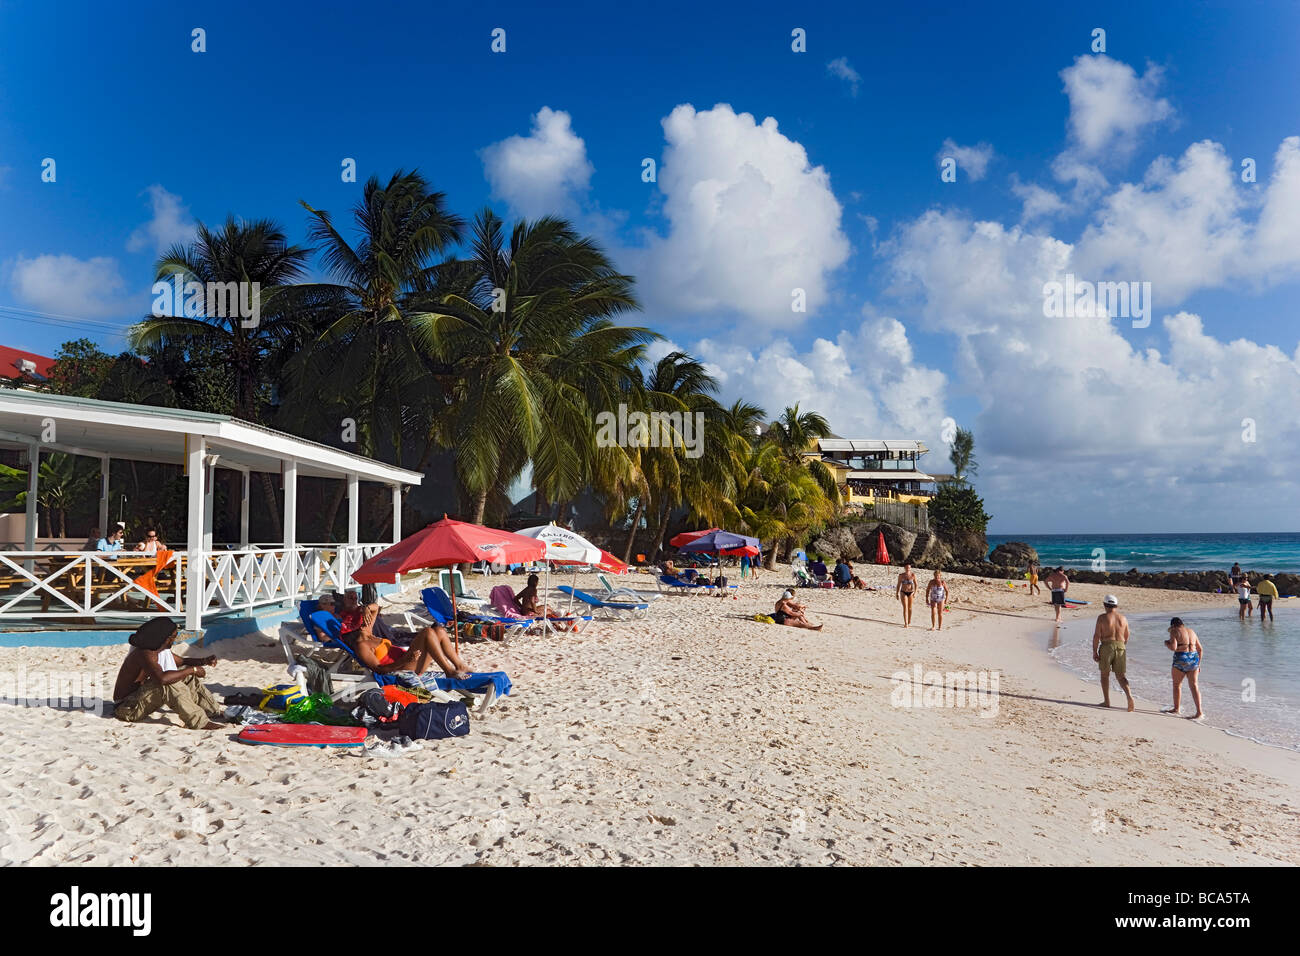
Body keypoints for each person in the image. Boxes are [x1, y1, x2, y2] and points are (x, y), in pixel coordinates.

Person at [112, 618, 225, 730]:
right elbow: (162, 679)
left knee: (187, 676)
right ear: (166, 638)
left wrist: (204, 661)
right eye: (174, 636)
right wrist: (193, 669)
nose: (175, 640)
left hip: (139, 698)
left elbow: (182, 661)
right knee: (168, 683)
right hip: (127, 707)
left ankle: (213, 711)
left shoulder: (159, 650)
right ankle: (199, 722)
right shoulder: (146, 653)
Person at [349, 603, 471, 679]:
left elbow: (375, 607)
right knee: (427, 632)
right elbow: (379, 669)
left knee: (439, 630)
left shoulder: (369, 630)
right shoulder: (362, 646)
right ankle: (449, 671)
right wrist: (405, 660)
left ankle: (459, 666)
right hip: (403, 667)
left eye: (367, 618)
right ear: (356, 625)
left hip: (410, 659)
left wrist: (366, 609)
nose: (369, 621)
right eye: (364, 620)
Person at [1090, 595, 1135, 712]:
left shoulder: (1102, 618)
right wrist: (1122, 646)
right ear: (1116, 606)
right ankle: (1129, 696)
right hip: (1121, 646)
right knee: (1121, 676)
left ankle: (1107, 701)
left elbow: (1096, 636)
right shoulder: (1123, 618)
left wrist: (1094, 651)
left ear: (1104, 605)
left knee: (1105, 675)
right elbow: (1127, 635)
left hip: (1107, 646)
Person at [1162, 617, 1204, 720]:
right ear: (1182, 624)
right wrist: (1199, 664)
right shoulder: (1191, 631)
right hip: (1194, 658)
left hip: (1181, 658)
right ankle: (1199, 712)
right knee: (1194, 686)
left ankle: (1176, 709)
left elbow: (1173, 647)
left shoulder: (1174, 631)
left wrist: (1166, 643)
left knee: (1177, 685)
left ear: (1173, 625)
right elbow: (1200, 649)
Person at [896, 563, 917, 627]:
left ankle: (909, 621)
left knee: (910, 608)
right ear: (904, 568)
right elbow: (898, 584)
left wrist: (915, 592)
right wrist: (897, 593)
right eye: (907, 568)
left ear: (910, 568)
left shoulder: (913, 575)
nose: (908, 569)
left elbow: (916, 584)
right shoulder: (901, 575)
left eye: (909, 568)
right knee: (905, 607)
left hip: (911, 592)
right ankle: (906, 623)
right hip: (903, 592)